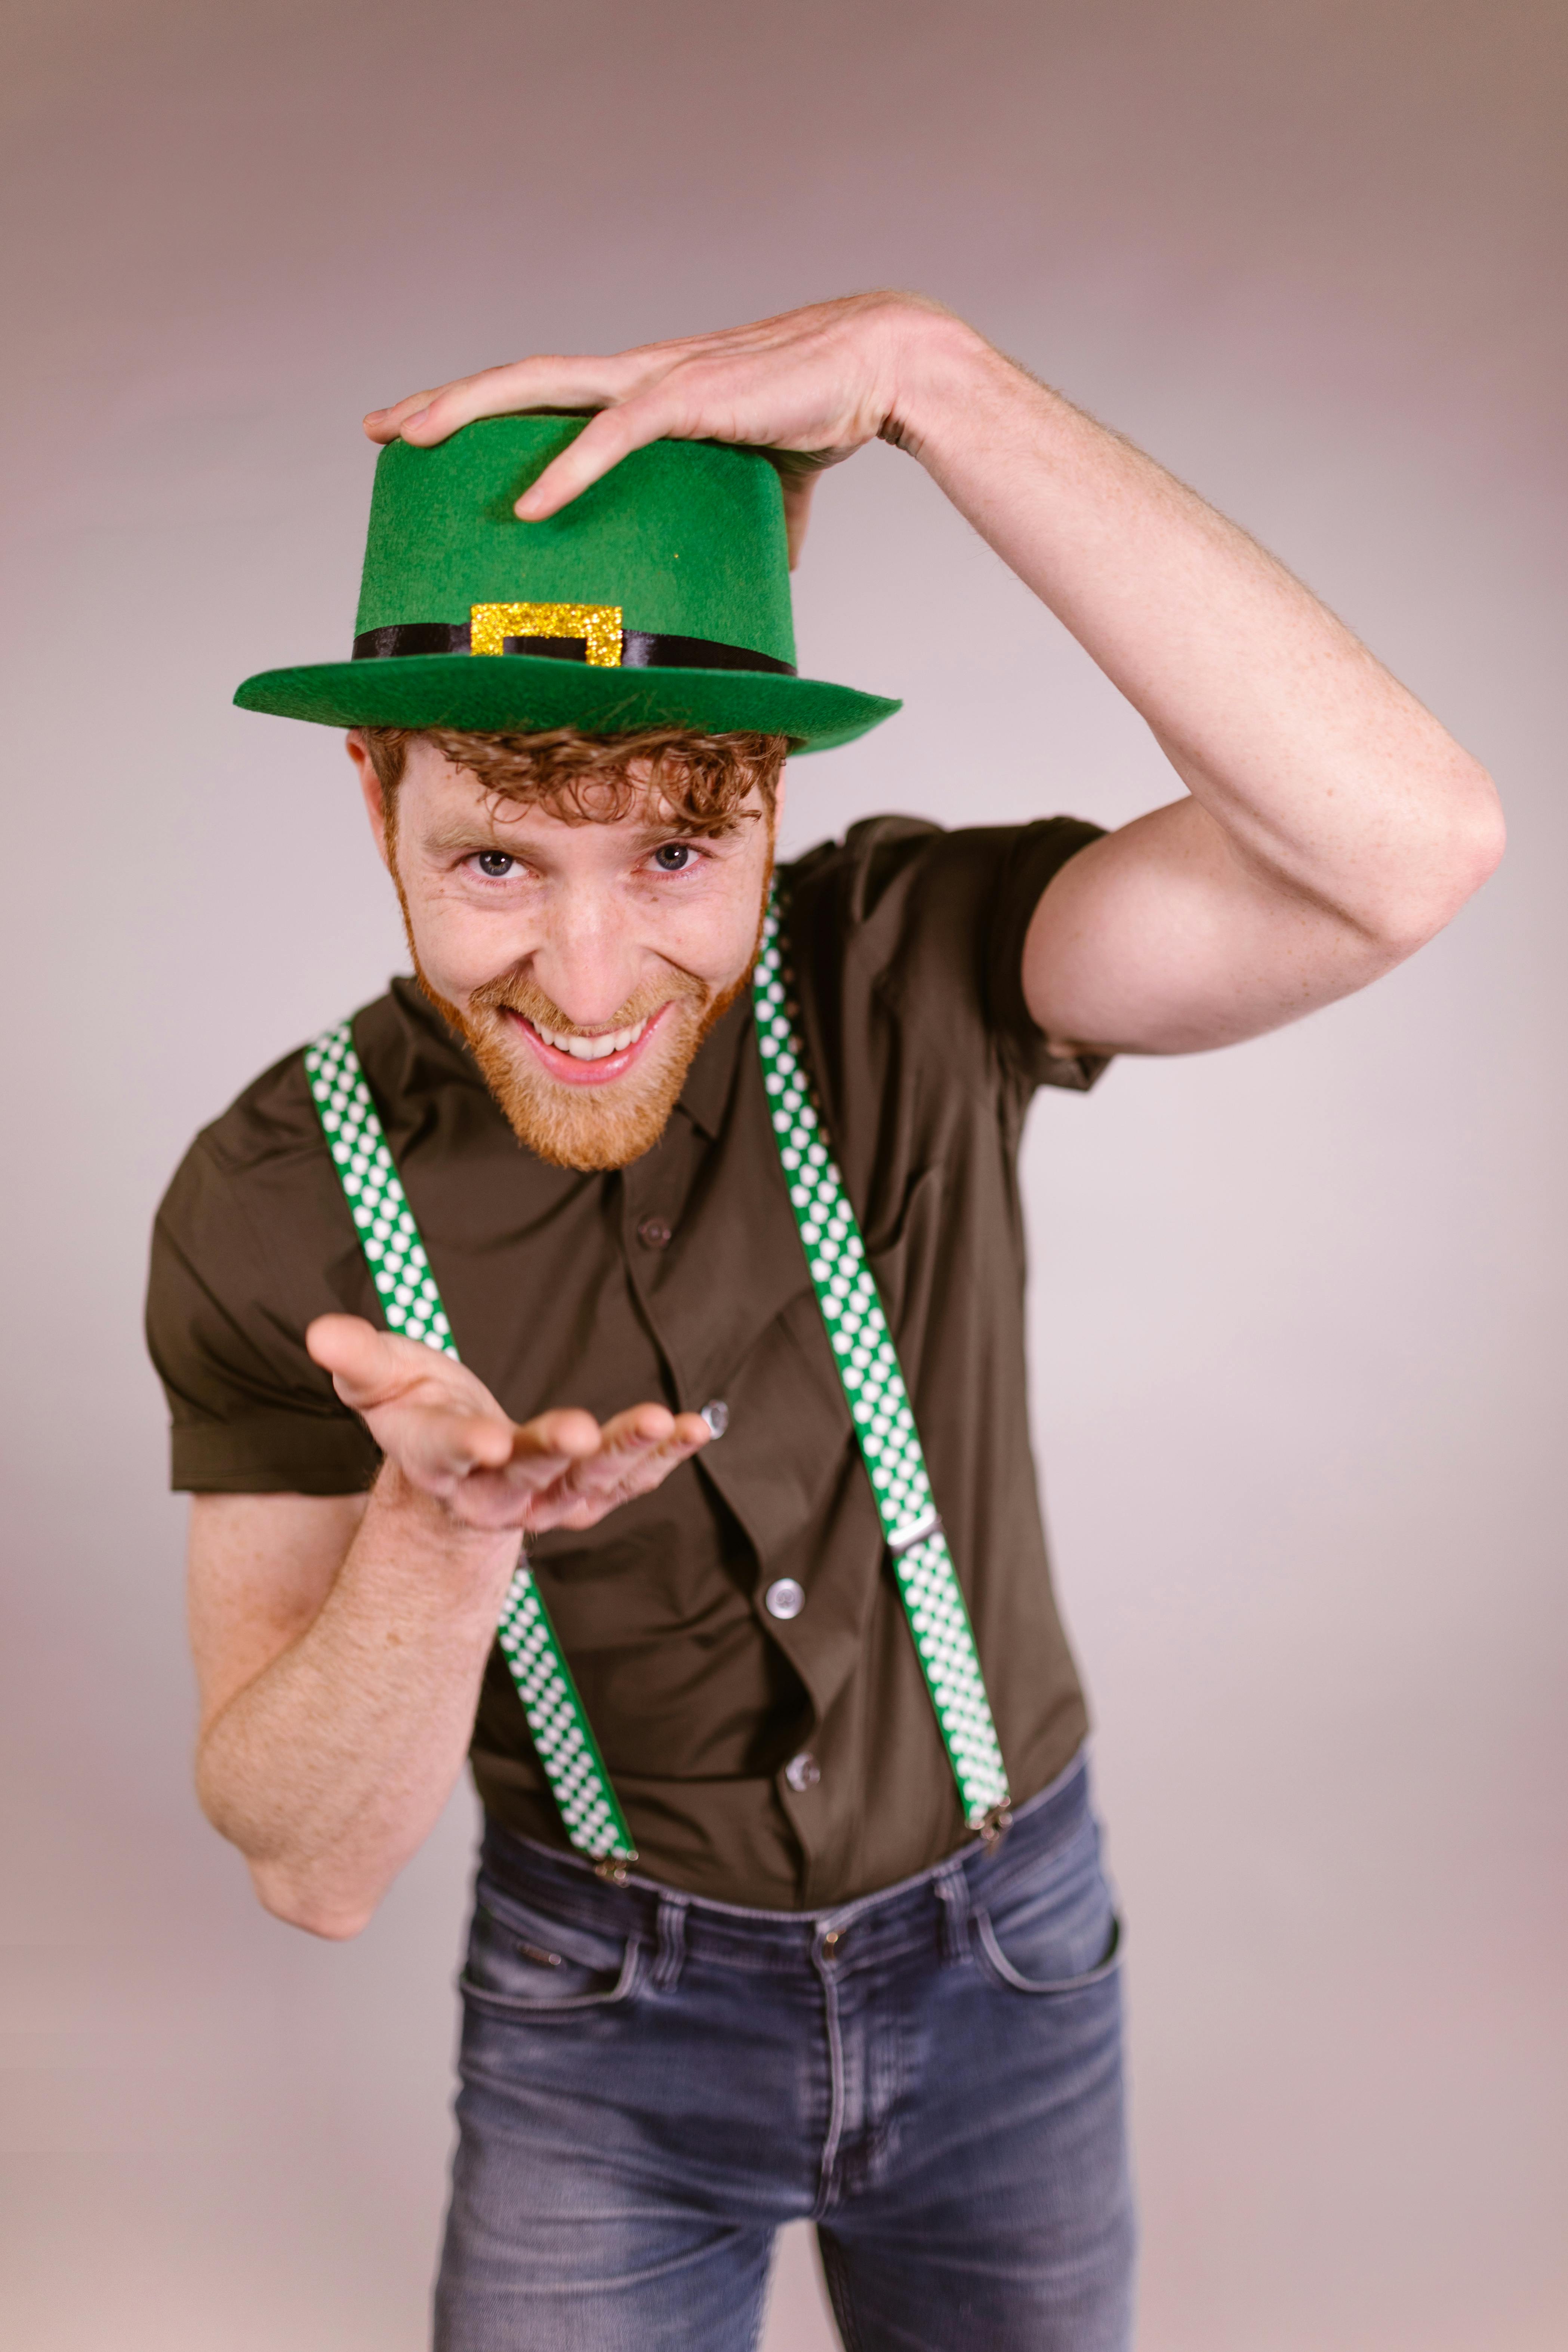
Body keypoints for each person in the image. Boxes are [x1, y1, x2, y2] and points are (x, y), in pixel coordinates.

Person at [146, 292, 1502, 2352]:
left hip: (1010, 1965)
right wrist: (434, 1544)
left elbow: (1404, 851)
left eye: (677, 849)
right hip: (596, 2022)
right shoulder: (265, 1197)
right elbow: (311, 1863)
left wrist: (928, 376)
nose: (587, 973)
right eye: (496, 857)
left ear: (773, 805)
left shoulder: (910, 964)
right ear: (374, 798)